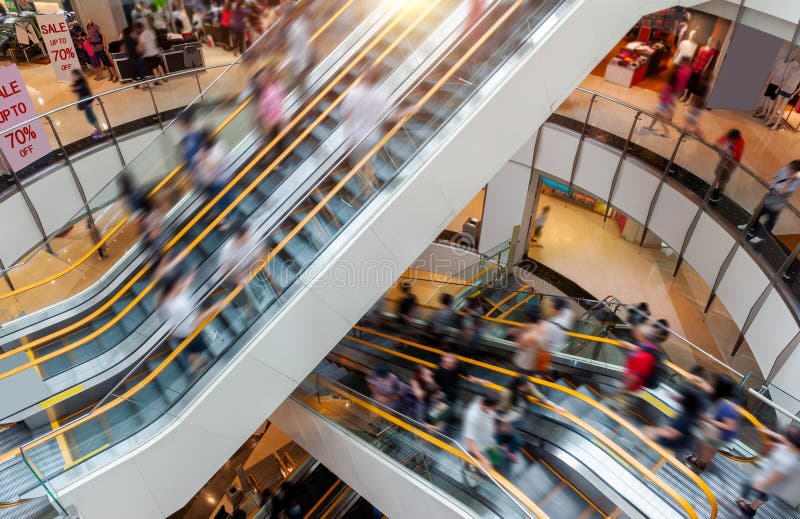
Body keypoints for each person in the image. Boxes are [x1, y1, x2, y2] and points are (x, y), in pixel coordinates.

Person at [159, 266, 226, 371]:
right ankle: (196, 366)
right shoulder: (178, 306)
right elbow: (194, 321)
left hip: (178, 331)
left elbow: (180, 289)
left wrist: (190, 277)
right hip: (187, 332)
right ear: (173, 287)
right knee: (196, 348)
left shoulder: (167, 299)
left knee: (192, 349)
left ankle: (196, 364)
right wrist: (214, 308)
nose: (182, 282)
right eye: (179, 282)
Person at [735, 426, 800, 517]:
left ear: (792, 443)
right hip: (772, 481)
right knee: (764, 494)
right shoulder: (794, 450)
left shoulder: (788, 462)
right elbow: (783, 439)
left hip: (769, 481)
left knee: (748, 484)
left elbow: (774, 478)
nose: (785, 439)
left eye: (788, 439)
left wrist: (755, 485)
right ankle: (752, 509)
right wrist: (768, 432)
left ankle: (747, 506)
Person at [686, 374, 740, 473]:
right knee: (711, 447)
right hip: (724, 434)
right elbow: (710, 390)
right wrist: (700, 380)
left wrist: (708, 420)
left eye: (717, 384)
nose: (714, 385)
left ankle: (699, 465)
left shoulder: (726, 406)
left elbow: (729, 426)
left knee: (706, 445)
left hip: (722, 434)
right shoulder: (725, 398)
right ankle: (702, 462)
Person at [738, 161, 800, 244]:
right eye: (789, 167)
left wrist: (791, 179)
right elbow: (775, 177)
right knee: (757, 212)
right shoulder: (785, 169)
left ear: (796, 171)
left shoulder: (796, 181)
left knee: (769, 222)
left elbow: (782, 191)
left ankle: (760, 237)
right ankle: (750, 226)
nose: (788, 170)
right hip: (769, 198)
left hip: (777, 204)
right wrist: (774, 181)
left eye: (791, 169)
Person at [645, 385, 702, 453]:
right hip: (676, 447)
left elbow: (672, 434)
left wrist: (652, 430)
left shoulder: (684, 418)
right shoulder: (690, 414)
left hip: (669, 449)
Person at [645, 56, 692, 137]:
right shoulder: (688, 71)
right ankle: (650, 126)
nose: (679, 62)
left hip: (667, 98)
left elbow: (672, 85)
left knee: (659, 115)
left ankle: (666, 132)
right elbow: (680, 86)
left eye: (681, 61)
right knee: (657, 114)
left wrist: (663, 93)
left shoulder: (679, 72)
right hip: (669, 96)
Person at [620, 324, 663, 393]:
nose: (635, 332)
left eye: (638, 332)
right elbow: (639, 348)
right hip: (635, 386)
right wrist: (626, 344)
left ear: (642, 336)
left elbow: (634, 377)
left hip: (631, 388)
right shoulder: (651, 347)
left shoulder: (642, 356)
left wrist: (623, 388)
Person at [462, 394, 500, 471]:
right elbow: (469, 441)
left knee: (495, 457)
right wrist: (483, 459)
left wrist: (493, 428)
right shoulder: (472, 416)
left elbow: (492, 416)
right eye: (492, 408)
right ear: (485, 406)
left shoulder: (485, 403)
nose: (494, 410)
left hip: (488, 441)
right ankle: (468, 469)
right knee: (473, 460)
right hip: (477, 447)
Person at [709, 128, 745, 205]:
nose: (730, 140)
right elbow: (716, 144)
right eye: (730, 139)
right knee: (718, 175)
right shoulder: (728, 136)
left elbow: (733, 155)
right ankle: (717, 190)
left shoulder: (740, 142)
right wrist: (724, 150)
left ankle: (719, 192)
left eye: (732, 140)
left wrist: (723, 150)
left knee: (723, 179)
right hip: (723, 160)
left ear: (736, 138)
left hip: (731, 164)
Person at [71, 70, 104, 140]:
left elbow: (87, 92)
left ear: (78, 76)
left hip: (87, 103)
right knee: (91, 118)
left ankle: (101, 133)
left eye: (74, 76)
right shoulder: (79, 82)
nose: (72, 77)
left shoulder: (82, 84)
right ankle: (99, 131)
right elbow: (75, 90)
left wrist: (90, 102)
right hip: (85, 102)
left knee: (92, 119)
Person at [257, 66, 287, 144]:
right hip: (271, 122)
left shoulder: (272, 90)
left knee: (277, 142)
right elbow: (265, 106)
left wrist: (271, 121)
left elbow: (276, 106)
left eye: (262, 80)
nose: (261, 82)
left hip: (274, 122)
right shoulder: (266, 91)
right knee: (273, 141)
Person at [138, 20, 166, 85]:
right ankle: (165, 78)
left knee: (153, 68)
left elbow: (143, 46)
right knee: (158, 65)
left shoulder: (141, 35)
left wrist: (141, 53)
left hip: (149, 53)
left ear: (140, 28)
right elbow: (155, 41)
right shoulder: (151, 32)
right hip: (155, 51)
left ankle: (159, 81)